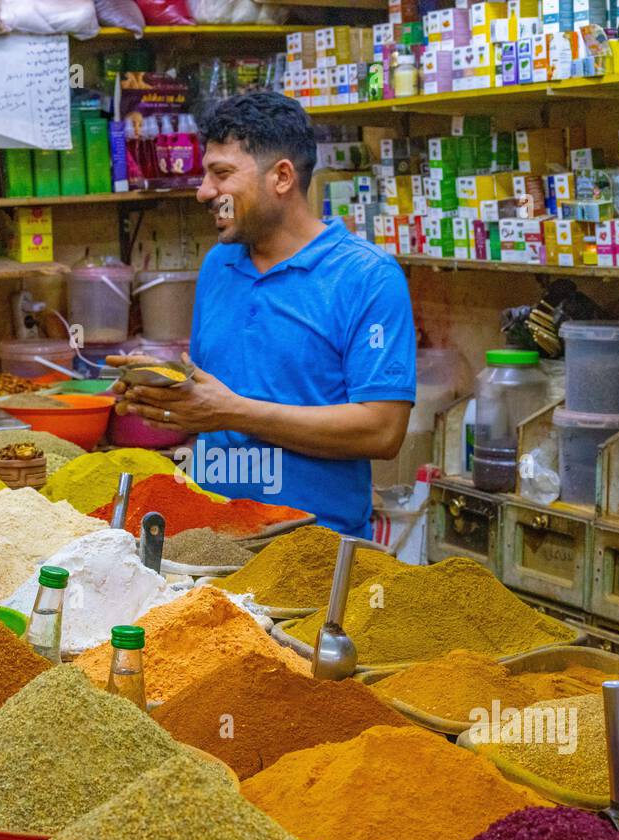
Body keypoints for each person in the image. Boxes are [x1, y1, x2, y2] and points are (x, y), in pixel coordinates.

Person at [112, 91, 417, 538]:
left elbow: (382, 430)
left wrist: (233, 412)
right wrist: (161, 391)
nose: (203, 192)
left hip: (314, 549)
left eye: (221, 174)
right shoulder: (220, 264)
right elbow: (212, 394)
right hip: (213, 541)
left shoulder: (367, 277)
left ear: (281, 177)